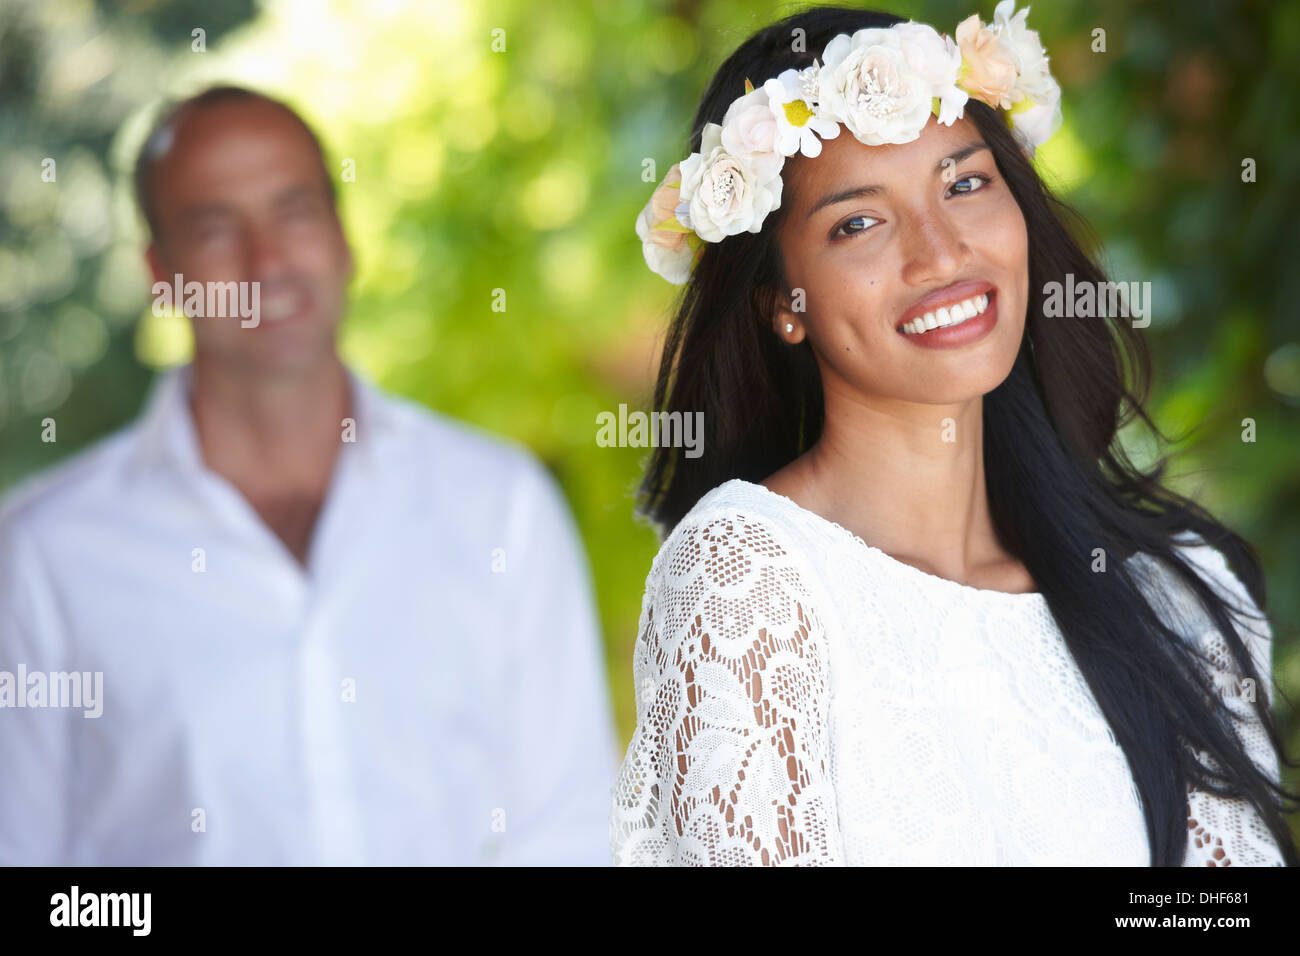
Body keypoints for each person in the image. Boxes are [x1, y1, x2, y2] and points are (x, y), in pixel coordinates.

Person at [610, 5, 1298, 865]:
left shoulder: (1183, 595)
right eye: (857, 223)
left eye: (964, 183)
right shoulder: (751, 581)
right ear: (782, 303)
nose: (940, 254)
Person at [0, 85, 618, 865]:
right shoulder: (44, 554)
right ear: (162, 272)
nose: (266, 261)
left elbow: (567, 833)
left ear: (342, 236)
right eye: (215, 226)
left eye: (293, 211)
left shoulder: (501, 507)